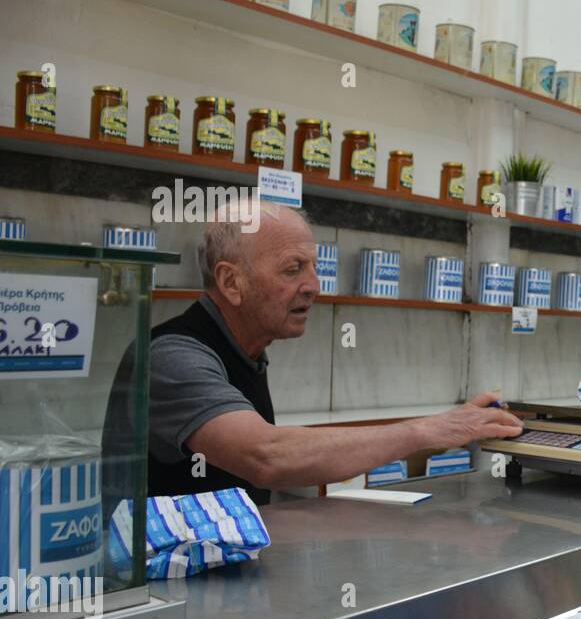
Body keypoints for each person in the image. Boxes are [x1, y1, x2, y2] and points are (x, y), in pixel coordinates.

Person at [102, 205, 521, 507]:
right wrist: (428, 431)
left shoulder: (248, 351)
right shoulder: (172, 355)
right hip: (164, 591)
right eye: (292, 269)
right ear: (231, 282)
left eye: (313, 267)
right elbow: (266, 455)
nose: (314, 286)